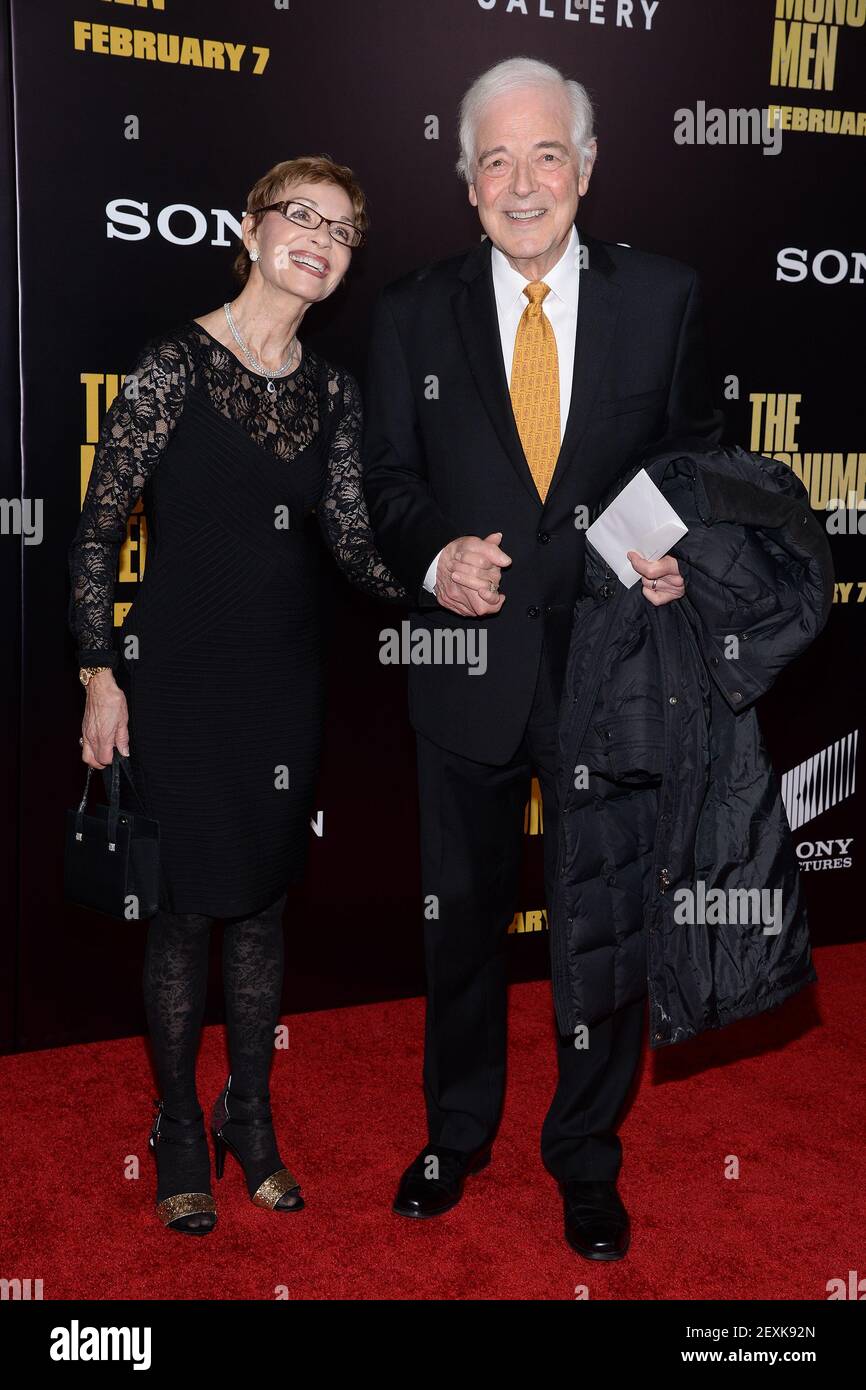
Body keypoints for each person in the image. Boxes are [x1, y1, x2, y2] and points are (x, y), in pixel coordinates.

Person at [362, 58, 724, 1259]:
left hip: (609, 674)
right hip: (464, 671)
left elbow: (690, 460)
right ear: (466, 186)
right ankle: (454, 1131)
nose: (523, 184)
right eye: (496, 163)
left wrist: (674, 554)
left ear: (585, 168)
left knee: (598, 929)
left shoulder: (661, 296)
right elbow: (387, 485)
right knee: (459, 921)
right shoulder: (408, 310)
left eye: (546, 155)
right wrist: (430, 562)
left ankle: (583, 1152)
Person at [68, 155, 405, 1235]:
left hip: (279, 687)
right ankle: (174, 1125)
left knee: (260, 906)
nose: (319, 237)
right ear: (251, 230)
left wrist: (438, 570)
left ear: (347, 261)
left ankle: (247, 1115)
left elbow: (353, 547)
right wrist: (97, 672)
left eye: (341, 228)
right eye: (299, 216)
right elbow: (97, 525)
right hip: (175, 682)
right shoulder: (175, 363)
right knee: (179, 919)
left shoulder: (334, 393)